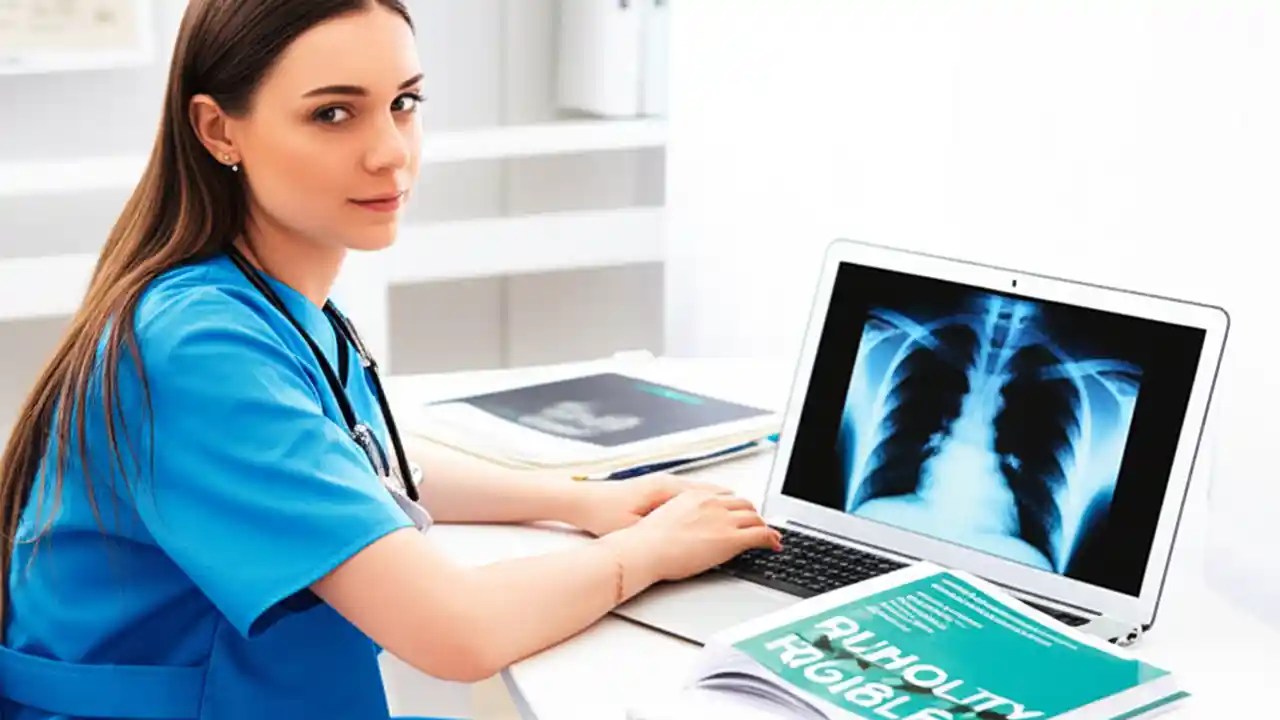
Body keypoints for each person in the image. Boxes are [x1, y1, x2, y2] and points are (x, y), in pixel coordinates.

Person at [0, 2, 782, 718]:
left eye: (404, 103)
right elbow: (457, 635)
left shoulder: (260, 297)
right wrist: (643, 555)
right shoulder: (197, 348)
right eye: (333, 113)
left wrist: (577, 500)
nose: (389, 154)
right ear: (218, 130)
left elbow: (354, 468)